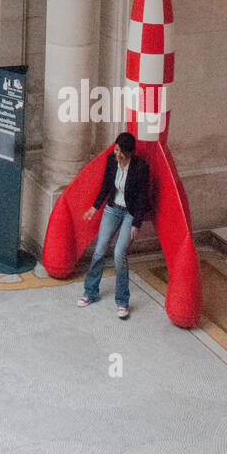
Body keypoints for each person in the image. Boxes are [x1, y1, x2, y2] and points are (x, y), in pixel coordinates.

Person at [78, 132, 151, 319]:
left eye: (118, 150)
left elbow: (143, 198)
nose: (115, 152)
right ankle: (90, 293)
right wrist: (95, 207)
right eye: (115, 148)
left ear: (127, 153)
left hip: (130, 213)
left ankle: (122, 301)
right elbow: (105, 185)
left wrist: (136, 223)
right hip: (112, 209)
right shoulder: (111, 161)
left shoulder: (141, 168)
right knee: (100, 249)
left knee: (119, 254)